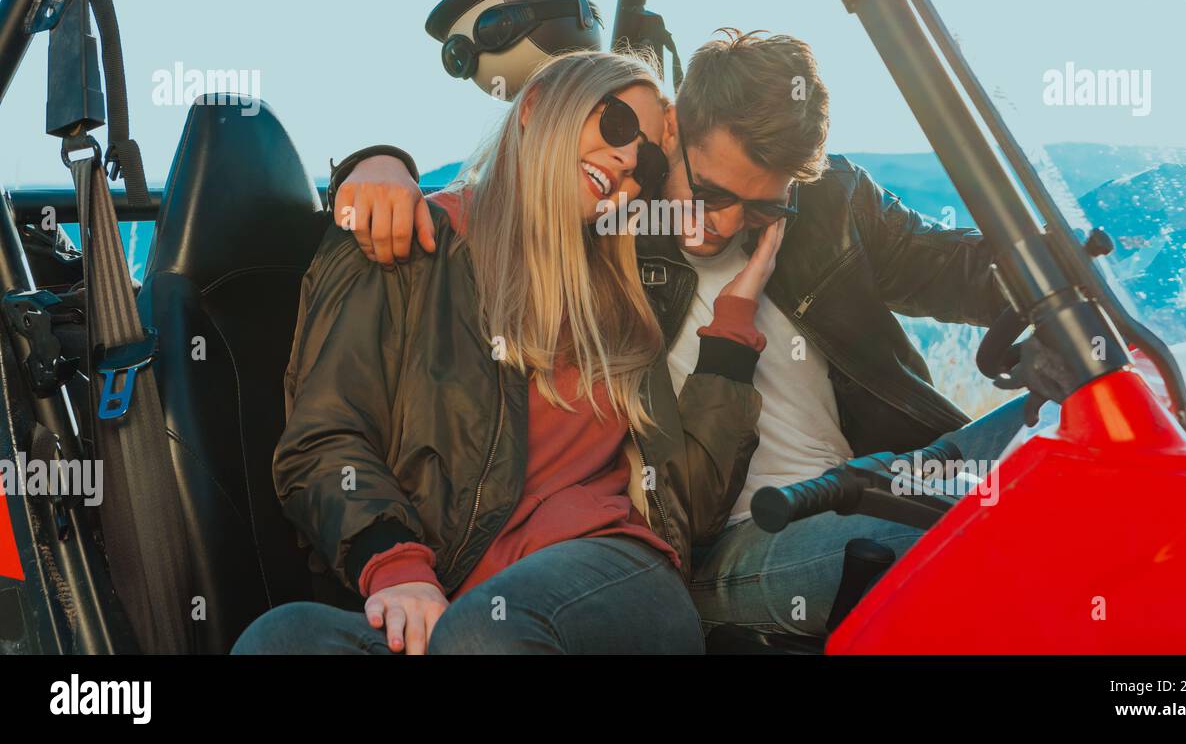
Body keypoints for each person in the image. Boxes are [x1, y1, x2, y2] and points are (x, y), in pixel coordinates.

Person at [329, 29, 1027, 641]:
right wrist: (374, 163)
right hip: (743, 532)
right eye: (713, 194)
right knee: (969, 541)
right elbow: (510, 190)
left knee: (1069, 432)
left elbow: (951, 265)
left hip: (890, 474)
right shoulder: (613, 231)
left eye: (761, 206)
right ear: (672, 132)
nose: (724, 225)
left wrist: (1054, 287)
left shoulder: (826, 205)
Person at [233, 48, 782, 654]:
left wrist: (734, 325)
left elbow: (691, 510)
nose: (628, 160)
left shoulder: (620, 300)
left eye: (645, 164)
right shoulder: (409, 243)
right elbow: (325, 440)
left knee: (483, 635)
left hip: (612, 573)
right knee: (279, 641)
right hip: (451, 597)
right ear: (539, 106)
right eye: (617, 126)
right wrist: (398, 568)